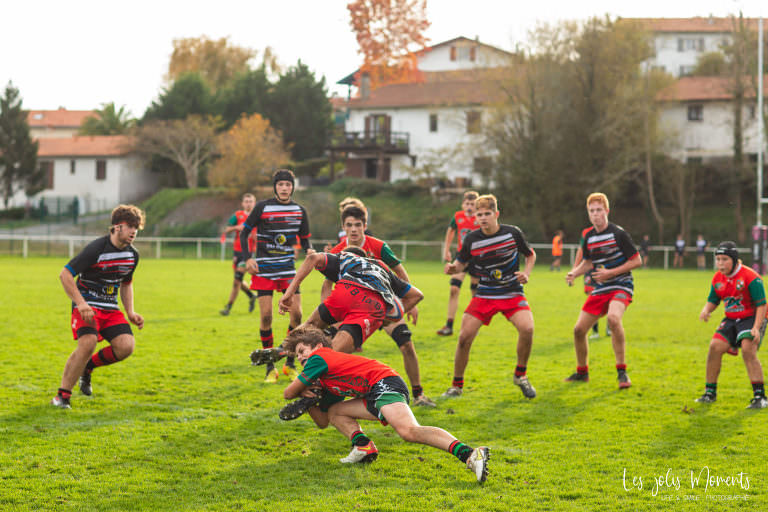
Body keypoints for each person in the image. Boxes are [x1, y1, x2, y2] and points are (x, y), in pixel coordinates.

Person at [280, 326, 490, 483]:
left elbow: (287, 393)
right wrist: (308, 401)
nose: (299, 358)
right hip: (374, 392)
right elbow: (324, 421)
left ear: (317, 347)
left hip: (383, 382)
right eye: (296, 355)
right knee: (337, 411)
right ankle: (363, 446)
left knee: (409, 431)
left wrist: (299, 390)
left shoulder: (320, 356)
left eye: (301, 351)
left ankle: (471, 454)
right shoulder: (325, 380)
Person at [326, 205, 436, 407]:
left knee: (406, 344)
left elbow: (401, 273)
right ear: (343, 227)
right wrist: (331, 312)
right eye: (349, 225)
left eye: (358, 225)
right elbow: (327, 285)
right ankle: (336, 395)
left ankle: (419, 394)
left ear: (365, 225)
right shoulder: (337, 252)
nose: (353, 230)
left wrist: (408, 305)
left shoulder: (378, 246)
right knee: (339, 353)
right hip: (355, 311)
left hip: (384, 307)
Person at [442, 194, 537, 400]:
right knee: (464, 337)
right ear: (475, 217)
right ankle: (456, 385)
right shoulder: (471, 239)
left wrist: (527, 273)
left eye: (487, 213)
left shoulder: (512, 233)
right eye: (480, 214)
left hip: (511, 292)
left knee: (527, 329)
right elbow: (461, 262)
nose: (483, 218)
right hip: (485, 294)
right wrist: (453, 268)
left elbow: (530, 254)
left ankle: (520, 375)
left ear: (496, 214)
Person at [51, 205, 146, 409]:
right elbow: (65, 274)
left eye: (136, 227)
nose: (133, 232)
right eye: (130, 226)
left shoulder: (133, 256)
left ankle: (88, 368)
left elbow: (126, 283)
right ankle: (62, 396)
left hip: (110, 308)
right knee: (88, 344)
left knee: (126, 346)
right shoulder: (96, 249)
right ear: (117, 227)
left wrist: (130, 312)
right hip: (87, 305)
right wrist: (81, 303)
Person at [239, 169, 313, 383]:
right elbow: (244, 233)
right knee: (266, 317)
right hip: (264, 270)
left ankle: (290, 362)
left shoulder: (300, 211)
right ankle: (270, 367)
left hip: (288, 271)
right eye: (280, 184)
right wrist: (247, 258)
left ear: (292, 187)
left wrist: (309, 250)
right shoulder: (262, 207)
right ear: (275, 187)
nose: (284, 188)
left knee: (297, 316)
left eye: (288, 184)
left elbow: (306, 239)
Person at [278, 250, 424, 357]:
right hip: (373, 306)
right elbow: (417, 295)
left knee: (311, 325)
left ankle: (281, 349)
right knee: (333, 356)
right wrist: (390, 317)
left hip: (347, 291)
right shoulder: (382, 267)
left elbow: (312, 257)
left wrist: (289, 292)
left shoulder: (345, 257)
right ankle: (316, 386)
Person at [565, 193, 641, 389]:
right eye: (592, 211)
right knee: (578, 330)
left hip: (621, 284)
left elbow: (637, 261)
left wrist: (611, 273)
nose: (595, 214)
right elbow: (588, 262)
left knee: (613, 319)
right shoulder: (589, 236)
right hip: (601, 287)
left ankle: (622, 373)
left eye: (599, 210)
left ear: (607, 211)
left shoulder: (619, 234)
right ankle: (582, 373)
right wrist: (575, 273)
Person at [695, 242, 768, 409]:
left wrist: (756, 327)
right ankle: (710, 393)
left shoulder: (751, 277)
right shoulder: (717, 278)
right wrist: (706, 310)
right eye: (718, 259)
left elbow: (762, 305)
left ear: (734, 260)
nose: (720, 263)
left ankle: (760, 397)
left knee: (748, 350)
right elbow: (714, 300)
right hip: (731, 319)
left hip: (752, 317)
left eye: (724, 259)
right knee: (714, 347)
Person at [437, 191, 480, 336]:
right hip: (462, 256)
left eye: (472, 204)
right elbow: (450, 231)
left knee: (475, 291)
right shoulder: (458, 216)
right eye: (467, 204)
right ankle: (449, 325)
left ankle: (475, 324)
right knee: (454, 288)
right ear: (463, 204)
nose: (469, 207)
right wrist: (446, 250)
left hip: (478, 258)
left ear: (477, 206)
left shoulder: (481, 217)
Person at [219, 193, 257, 316]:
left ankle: (228, 308)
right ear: (242, 203)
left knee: (237, 281)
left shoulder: (258, 217)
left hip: (250, 253)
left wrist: (255, 237)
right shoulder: (238, 215)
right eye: (246, 201)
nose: (248, 203)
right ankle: (252, 296)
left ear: (254, 203)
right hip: (238, 251)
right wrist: (237, 227)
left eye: (250, 201)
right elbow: (226, 229)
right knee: (238, 282)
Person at [572, 226, 601, 340]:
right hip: (589, 268)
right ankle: (595, 331)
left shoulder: (611, 231)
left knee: (608, 296)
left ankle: (610, 328)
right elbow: (581, 250)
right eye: (592, 211)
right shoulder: (586, 232)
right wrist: (575, 268)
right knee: (592, 297)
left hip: (604, 268)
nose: (595, 214)